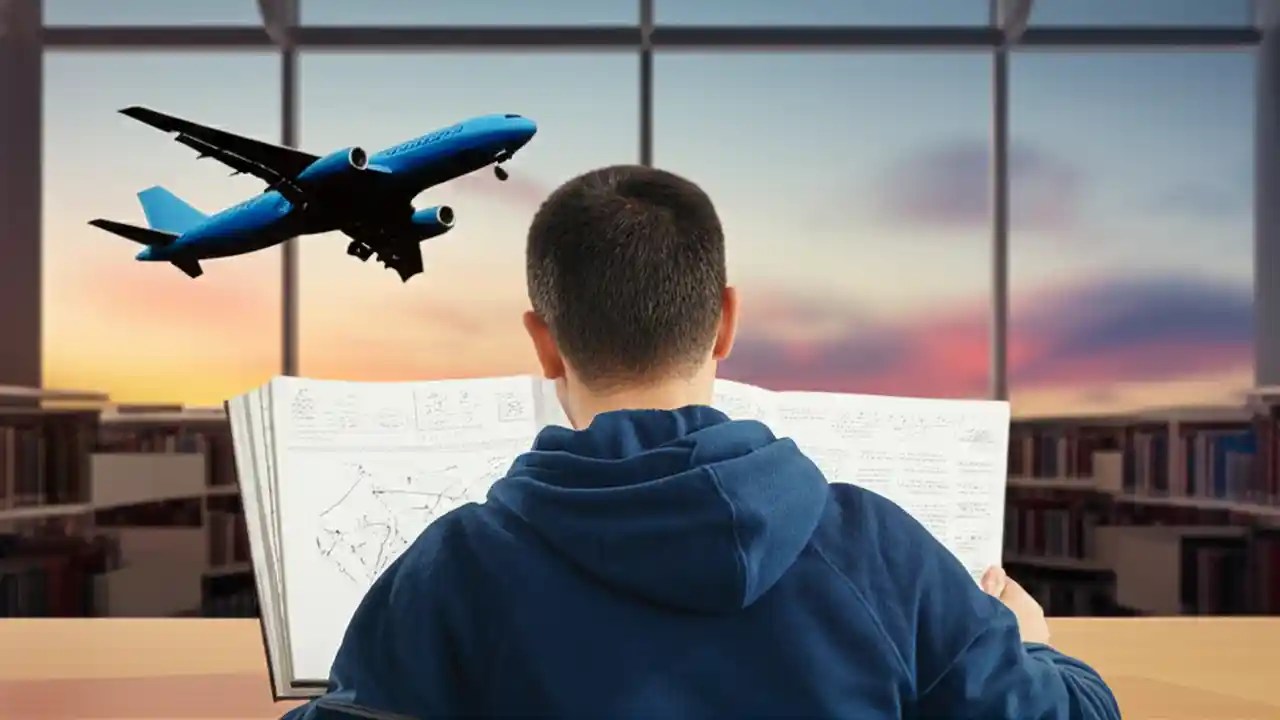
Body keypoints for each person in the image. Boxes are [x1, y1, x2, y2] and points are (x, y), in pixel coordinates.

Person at [283, 165, 1120, 720]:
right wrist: (1037, 652)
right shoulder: (882, 555)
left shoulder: (453, 570)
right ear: (724, 321)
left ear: (544, 343)